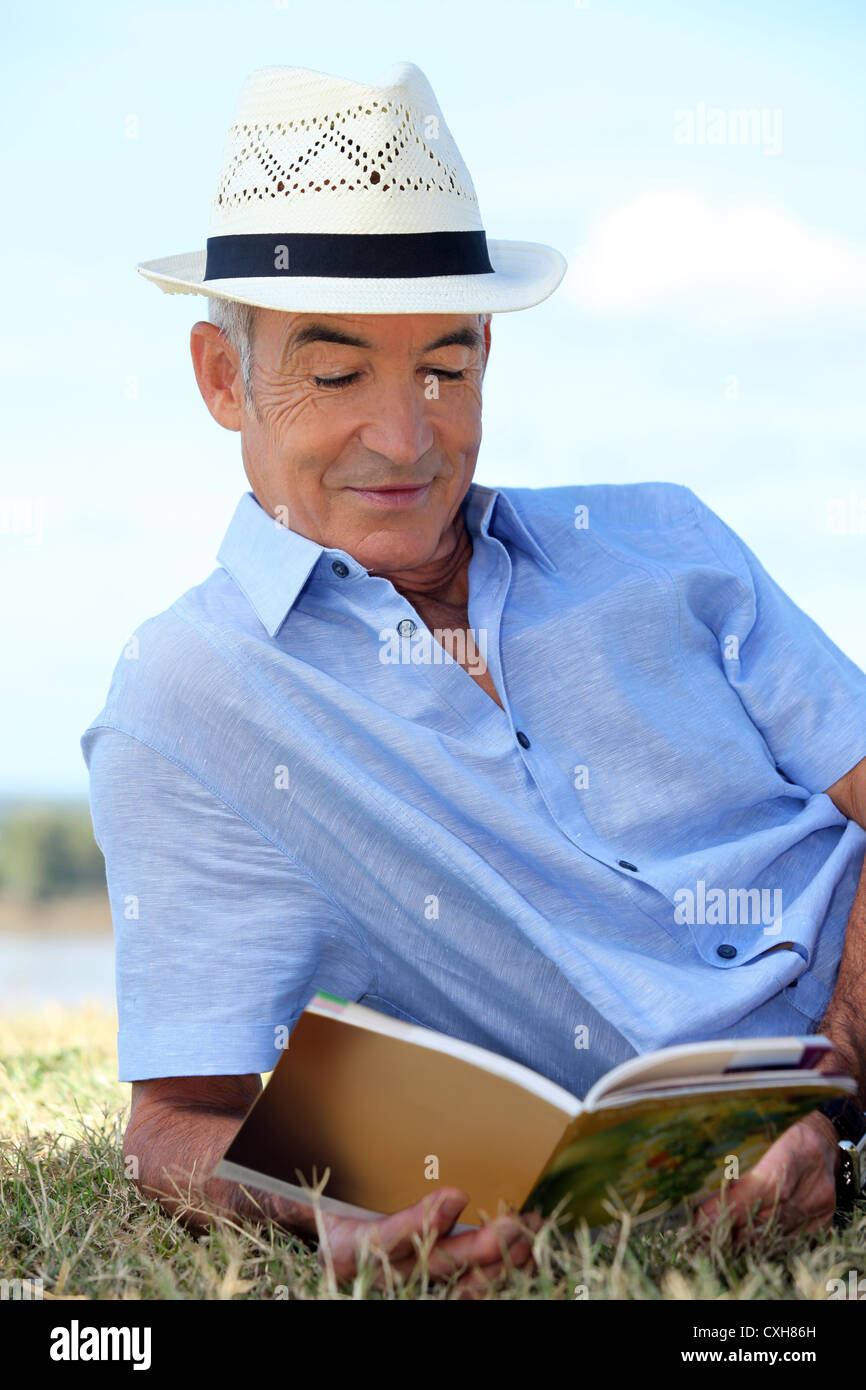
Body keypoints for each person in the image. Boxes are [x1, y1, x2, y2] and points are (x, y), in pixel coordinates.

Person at [83, 61, 866, 1295]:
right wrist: (320, 1219)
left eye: (444, 367)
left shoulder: (662, 535)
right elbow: (173, 1121)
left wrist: (833, 1072)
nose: (406, 436)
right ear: (222, 378)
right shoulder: (187, 701)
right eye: (336, 374)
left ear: (488, 350)